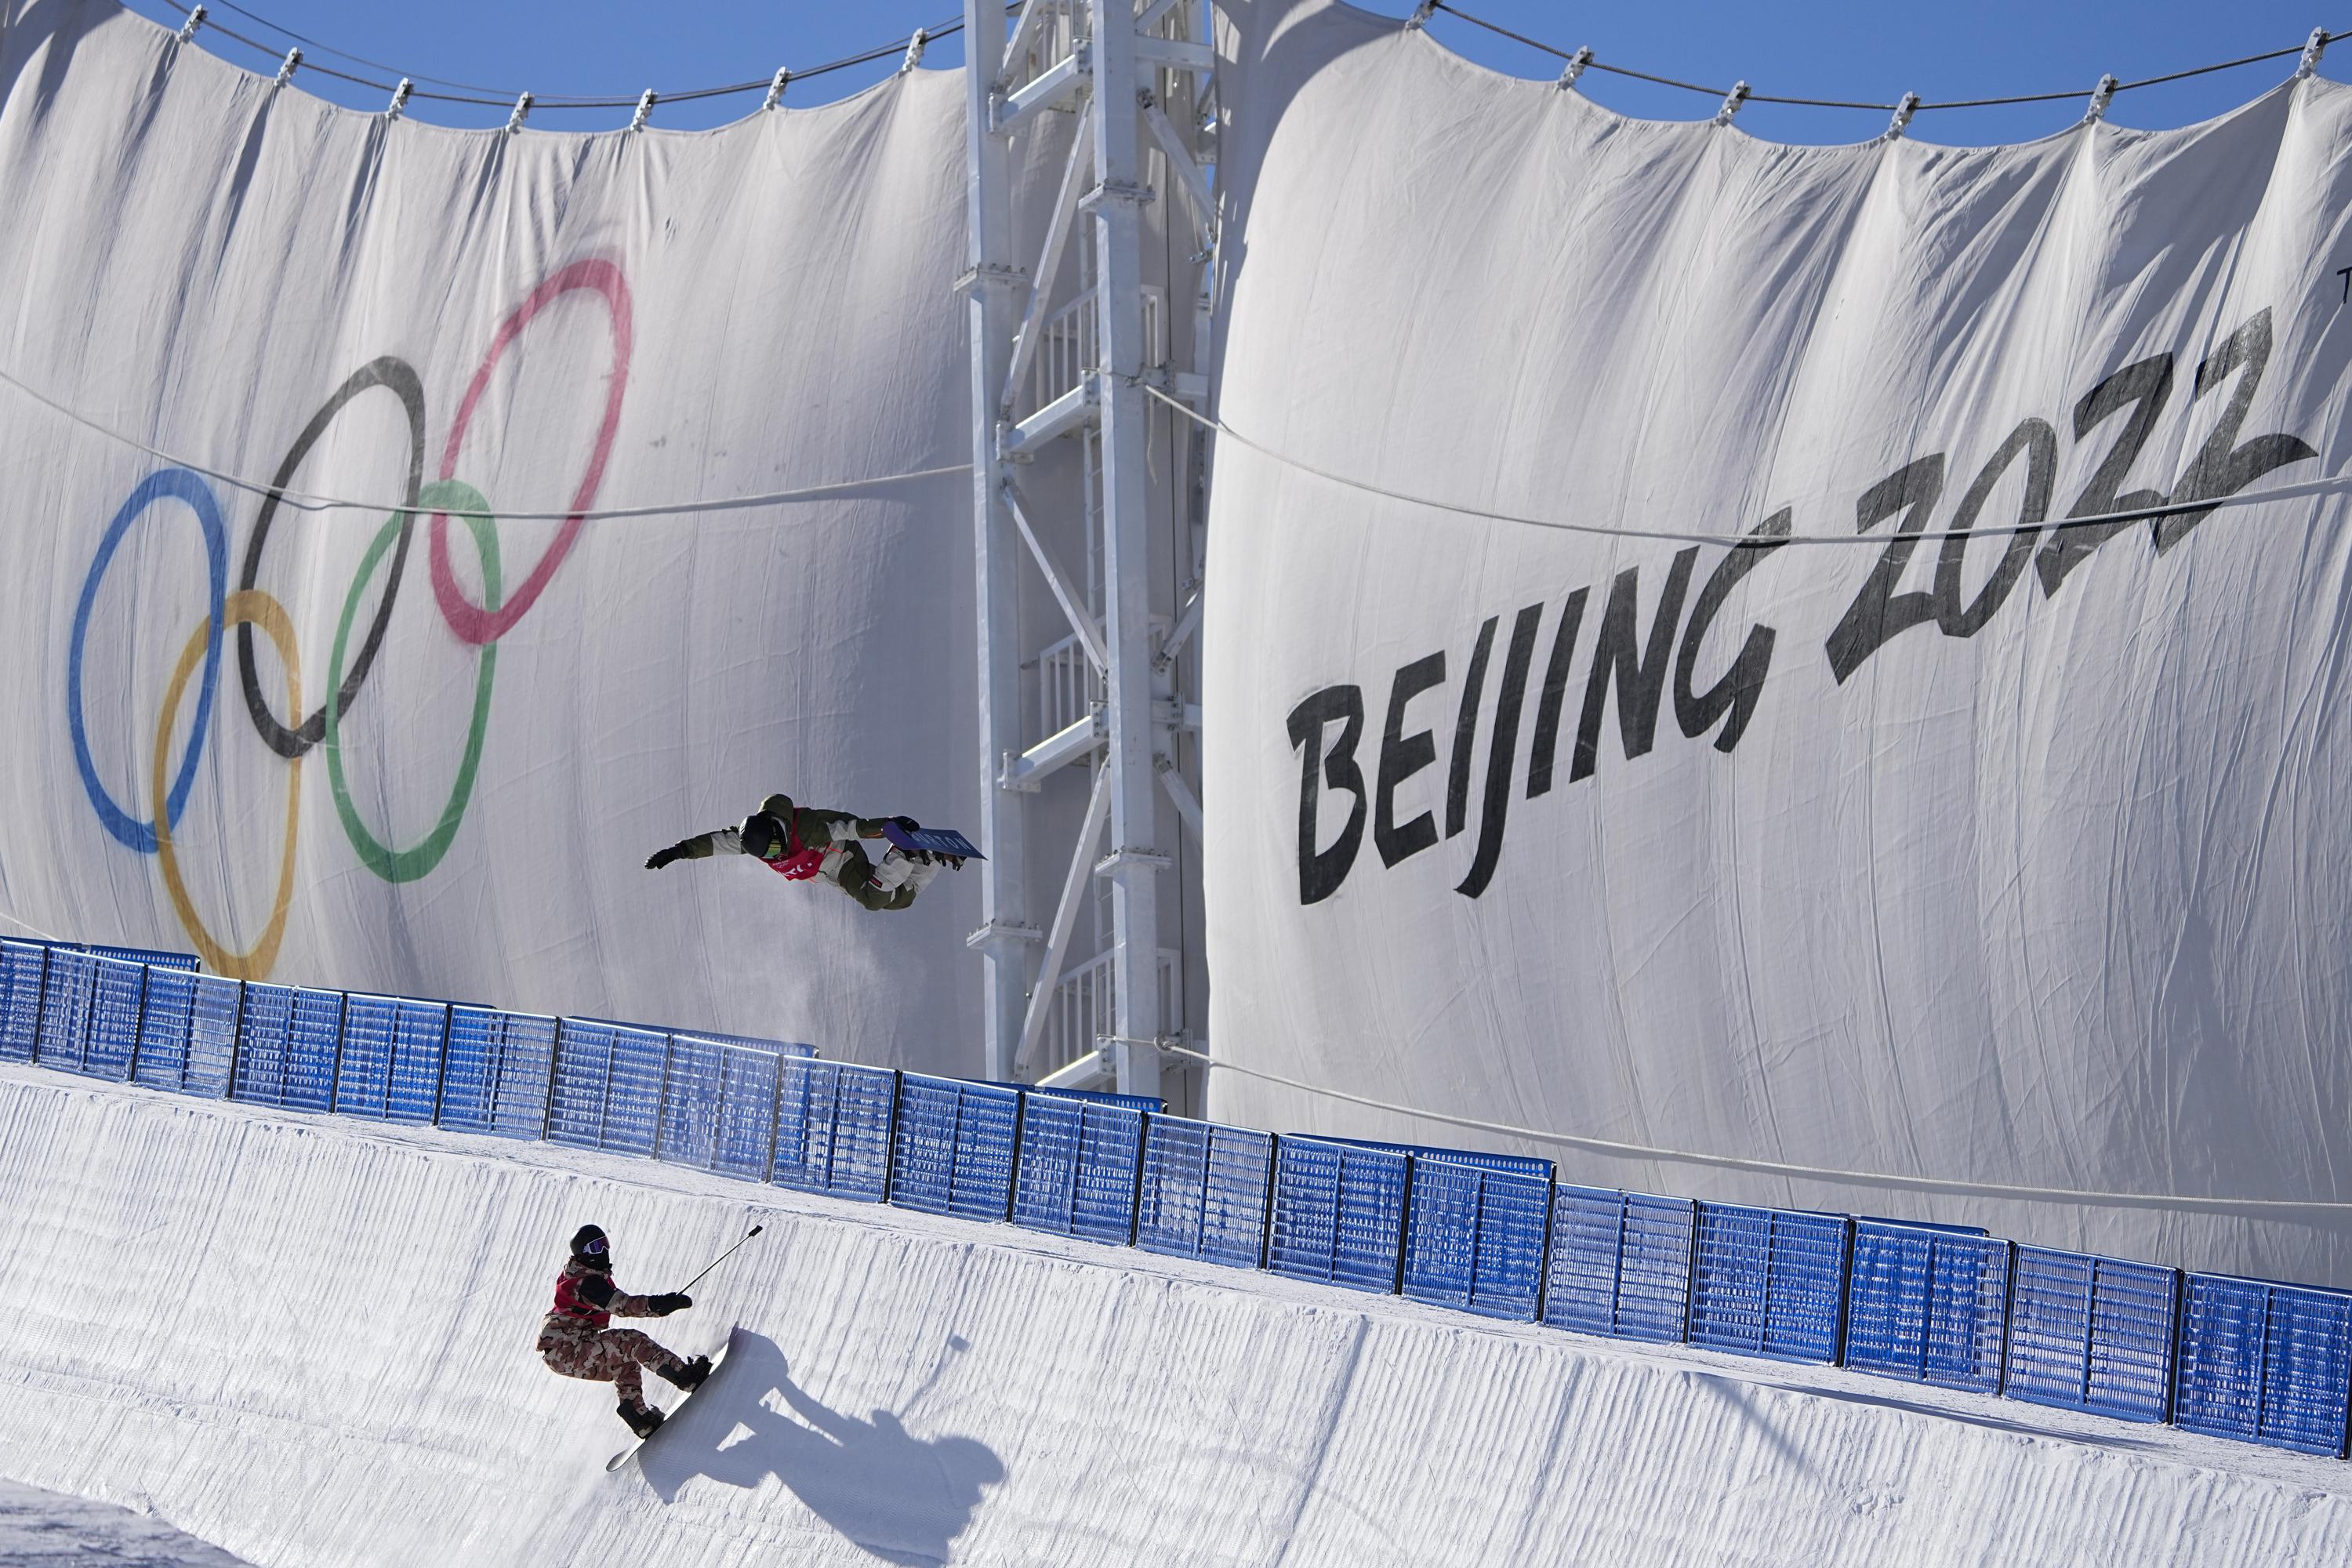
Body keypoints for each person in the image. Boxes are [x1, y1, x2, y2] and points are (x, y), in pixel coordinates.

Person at [644, 793, 962, 912]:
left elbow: (853, 827)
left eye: (775, 843)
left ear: (778, 826)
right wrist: (677, 852)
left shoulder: (807, 827)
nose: (775, 852)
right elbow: (712, 843)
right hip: (828, 875)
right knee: (897, 901)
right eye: (767, 852)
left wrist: (891, 825)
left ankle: (904, 853)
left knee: (873, 899)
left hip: (841, 858)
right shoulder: (752, 842)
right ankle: (927, 858)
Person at [537, 1224, 710, 1438]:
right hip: (567, 1349)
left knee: (624, 1363)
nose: (603, 1251)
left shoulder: (589, 1274)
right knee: (632, 1341)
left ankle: (638, 1417)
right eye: (595, 1247)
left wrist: (660, 1305)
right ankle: (683, 1375)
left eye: (604, 1244)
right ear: (583, 1254)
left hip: (568, 1350)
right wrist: (659, 1304)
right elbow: (623, 1305)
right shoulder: (586, 1282)